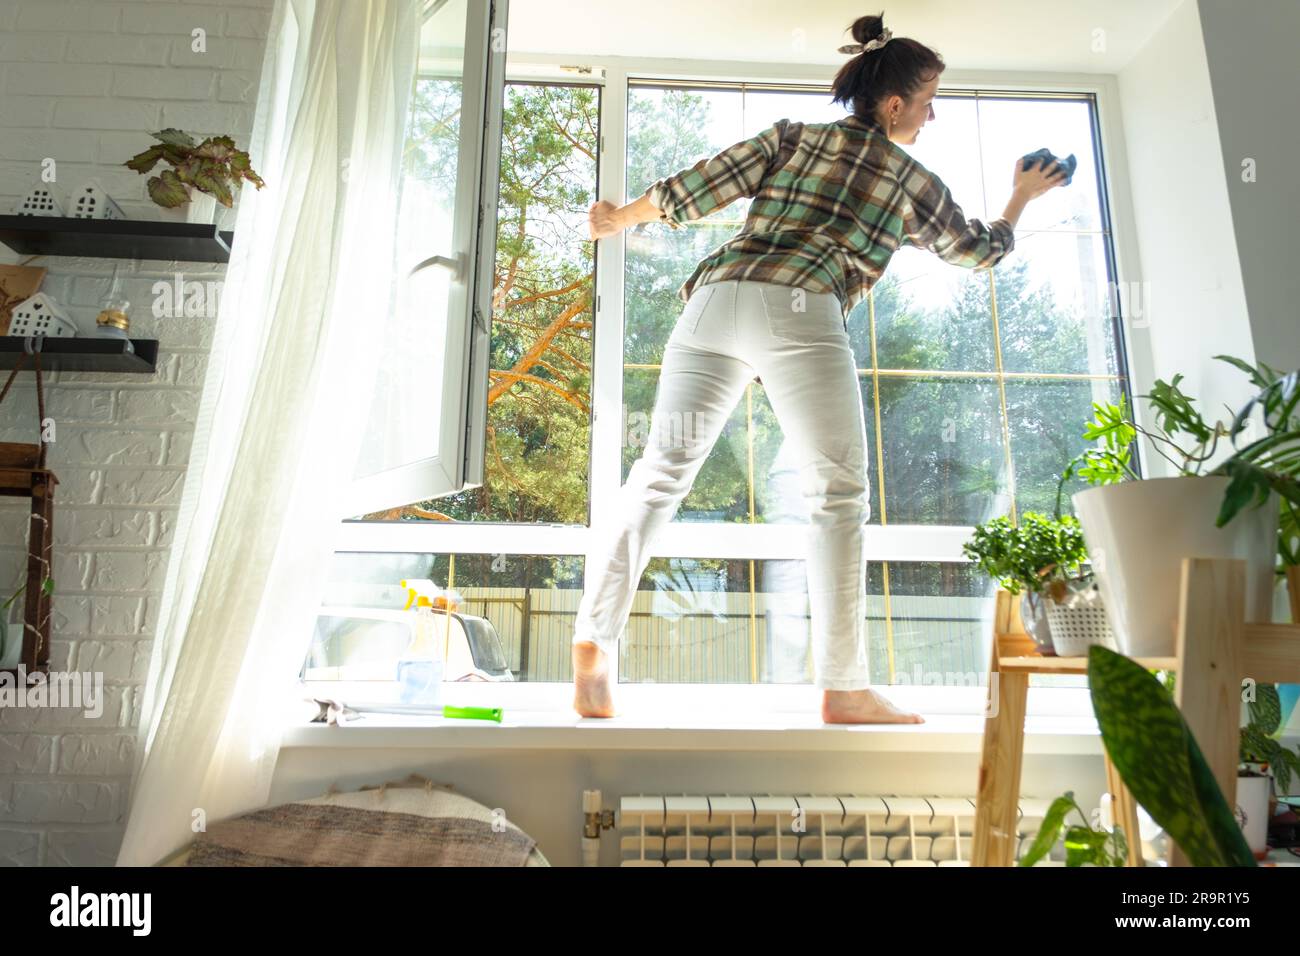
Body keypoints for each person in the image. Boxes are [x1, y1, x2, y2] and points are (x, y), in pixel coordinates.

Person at [572, 12, 1067, 721]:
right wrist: (1022, 197)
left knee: (655, 479)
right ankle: (844, 686)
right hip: (799, 306)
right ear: (893, 105)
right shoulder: (907, 177)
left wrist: (618, 218)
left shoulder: (790, 137)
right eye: (927, 102)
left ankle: (593, 644)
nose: (932, 116)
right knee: (837, 497)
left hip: (711, 303)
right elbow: (977, 250)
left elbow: (696, 187)